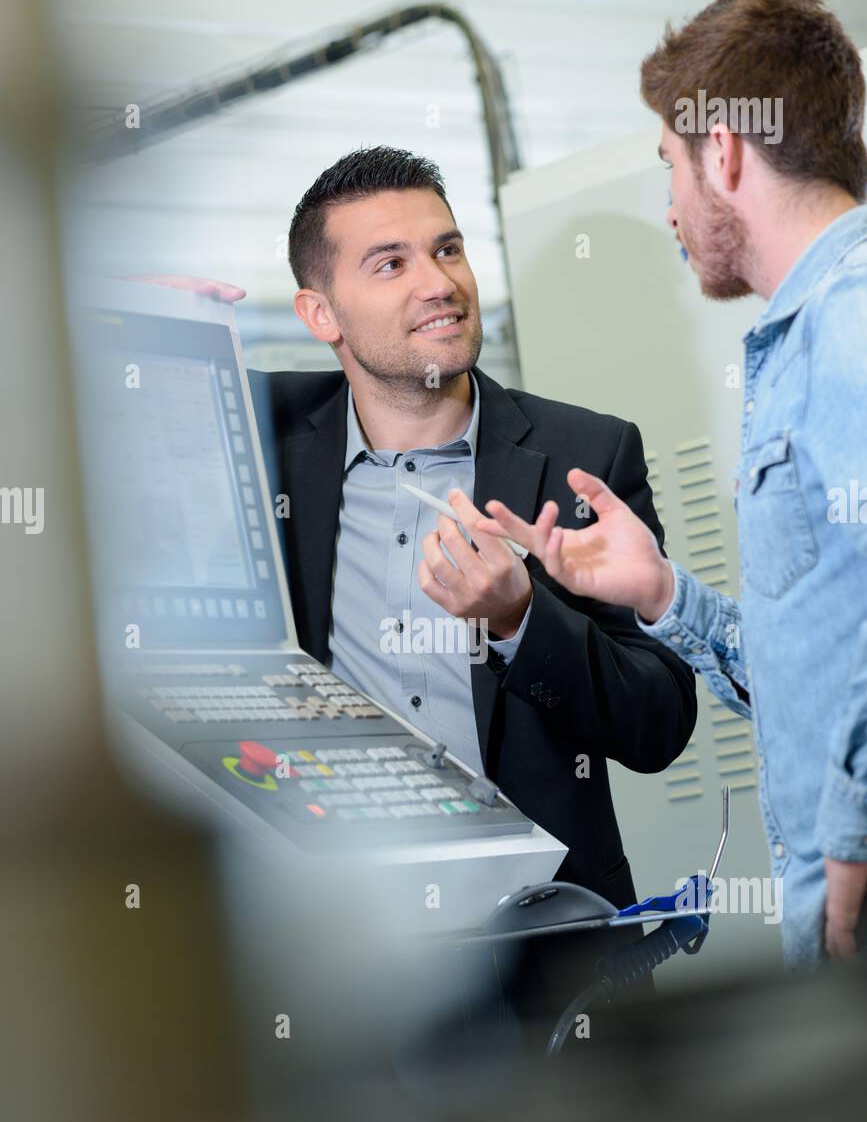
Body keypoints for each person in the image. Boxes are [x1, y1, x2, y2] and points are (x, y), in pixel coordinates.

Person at [139, 144, 696, 1038]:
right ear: (321, 313)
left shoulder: (585, 455)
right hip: (336, 970)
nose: (437, 282)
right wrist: (132, 325)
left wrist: (521, 618)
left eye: (446, 249)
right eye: (389, 263)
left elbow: (661, 721)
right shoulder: (259, 432)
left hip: (553, 971)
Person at [479, 0, 867, 969]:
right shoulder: (803, 337)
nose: (669, 210)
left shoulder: (851, 328)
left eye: (671, 167)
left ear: (725, 152)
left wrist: (853, 850)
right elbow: (811, 679)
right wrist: (664, 594)